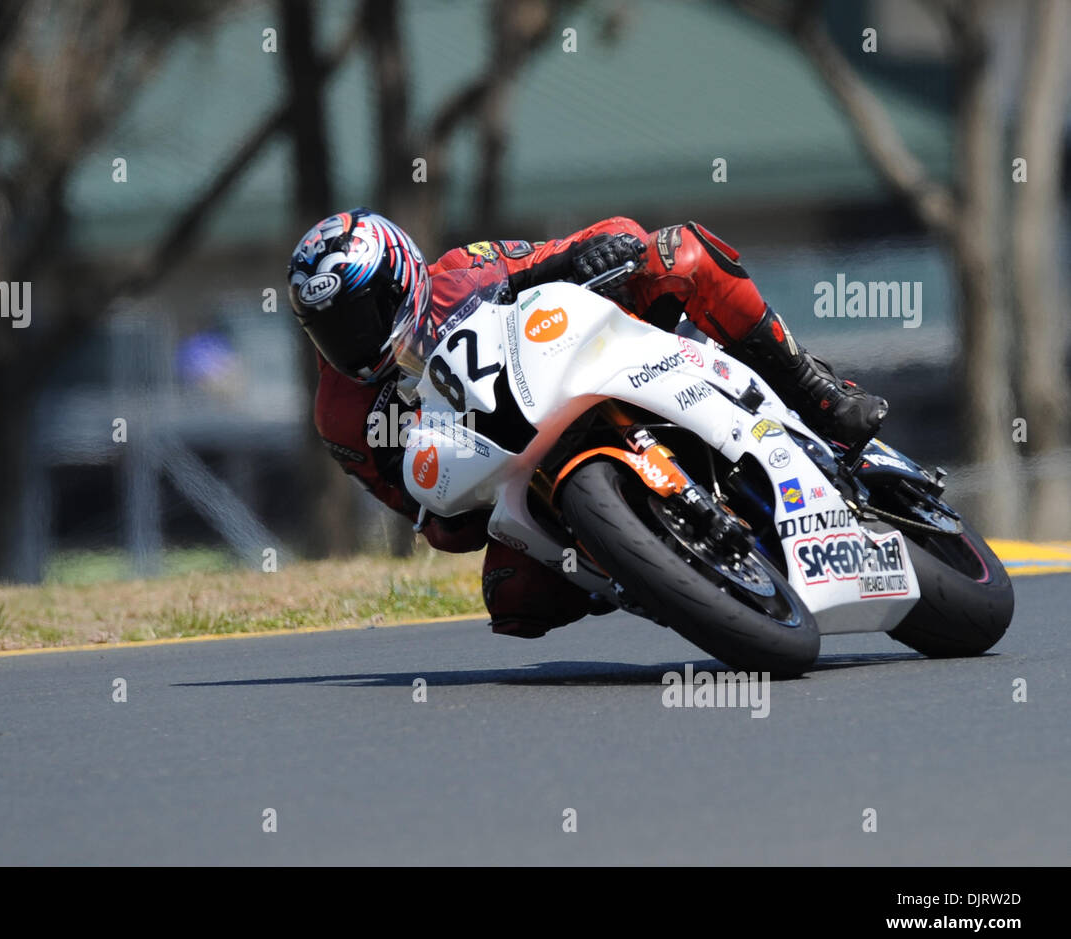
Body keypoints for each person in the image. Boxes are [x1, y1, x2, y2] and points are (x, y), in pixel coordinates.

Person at [286, 208, 887, 638]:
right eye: (330, 328)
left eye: (362, 314)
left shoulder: (462, 272)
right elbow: (430, 525)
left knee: (676, 251)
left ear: (400, 278)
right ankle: (647, 566)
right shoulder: (342, 417)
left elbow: (605, 237)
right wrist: (447, 500)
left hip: (582, 358)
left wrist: (589, 254)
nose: (352, 341)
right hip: (514, 474)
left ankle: (816, 391)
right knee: (515, 601)